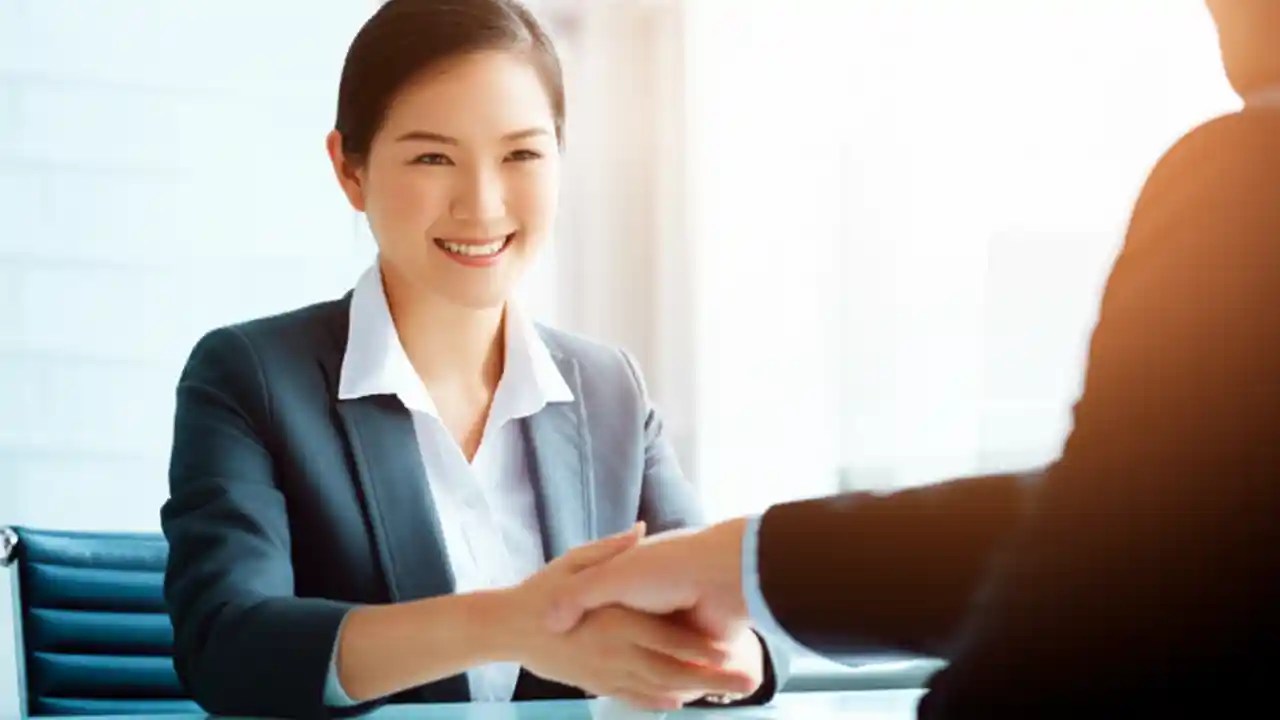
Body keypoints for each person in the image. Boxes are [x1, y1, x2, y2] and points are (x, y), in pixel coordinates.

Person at [548, 0, 1280, 715]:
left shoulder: (1247, 177)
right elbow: (1157, 512)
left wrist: (740, 618)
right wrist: (747, 567)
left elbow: (1124, 546)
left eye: (523, 151)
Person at [160, 1, 788, 717]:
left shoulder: (607, 389)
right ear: (350, 170)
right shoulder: (252, 377)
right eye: (433, 156)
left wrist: (722, 652)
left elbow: (744, 613)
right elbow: (227, 648)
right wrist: (516, 621)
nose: (482, 205)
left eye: (521, 154)